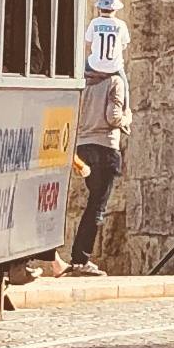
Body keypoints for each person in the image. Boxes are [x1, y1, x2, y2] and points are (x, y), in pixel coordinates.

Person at [65, 32, 131, 273]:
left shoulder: (84, 82)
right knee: (97, 206)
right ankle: (81, 258)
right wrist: (127, 119)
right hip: (105, 147)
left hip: (84, 146)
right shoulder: (115, 82)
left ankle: (79, 256)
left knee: (93, 202)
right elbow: (112, 117)